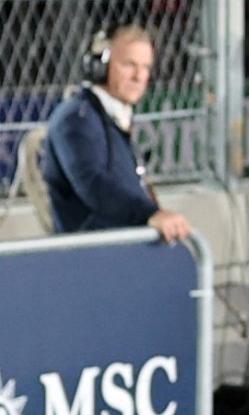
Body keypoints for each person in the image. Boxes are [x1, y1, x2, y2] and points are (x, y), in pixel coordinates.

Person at [36, 25, 197, 248]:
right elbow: (93, 183)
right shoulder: (76, 119)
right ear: (99, 66)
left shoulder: (112, 118)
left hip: (121, 255)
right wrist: (149, 214)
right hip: (92, 261)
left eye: (146, 67)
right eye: (129, 64)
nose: (139, 76)